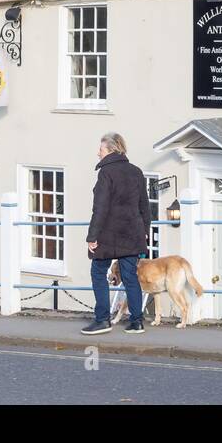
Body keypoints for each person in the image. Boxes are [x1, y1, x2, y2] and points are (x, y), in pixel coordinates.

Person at [82, 133, 151, 335]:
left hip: (109, 234)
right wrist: (145, 231)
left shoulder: (106, 173)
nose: (98, 153)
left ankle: (102, 320)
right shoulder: (136, 171)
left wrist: (92, 237)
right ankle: (137, 322)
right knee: (130, 277)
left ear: (110, 150)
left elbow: (100, 208)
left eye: (101, 149)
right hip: (132, 233)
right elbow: (145, 206)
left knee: (98, 273)